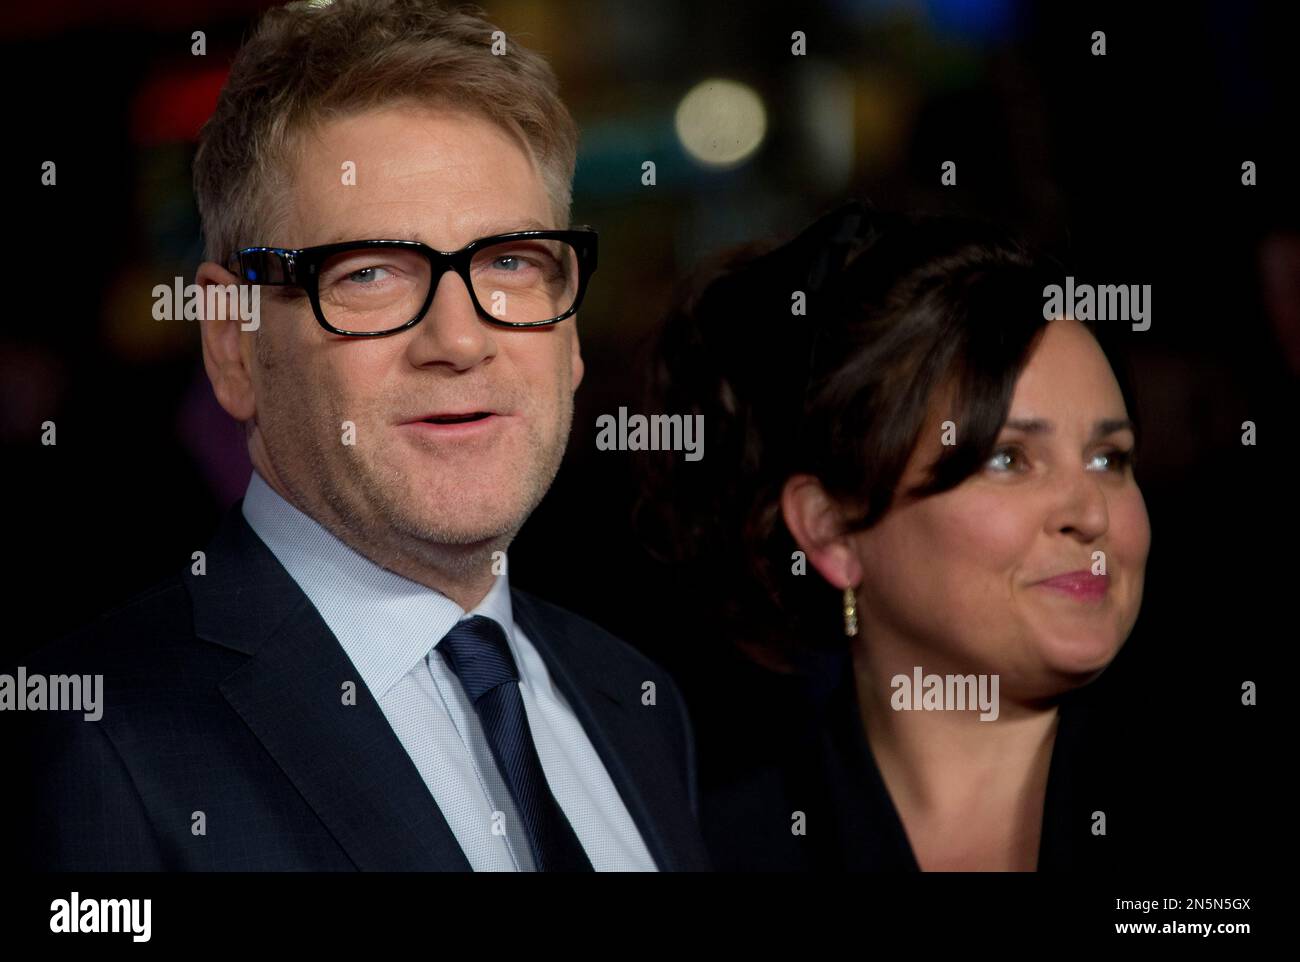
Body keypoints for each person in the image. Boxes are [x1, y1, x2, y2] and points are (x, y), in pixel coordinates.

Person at [13, 0, 709, 872]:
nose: (459, 341)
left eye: (510, 263)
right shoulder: (97, 747)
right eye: (370, 274)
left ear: (569, 332)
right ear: (233, 344)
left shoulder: (637, 704)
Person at [639, 201, 1157, 871]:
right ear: (831, 532)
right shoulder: (709, 852)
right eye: (1007, 459)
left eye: (1109, 459)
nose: (1091, 513)